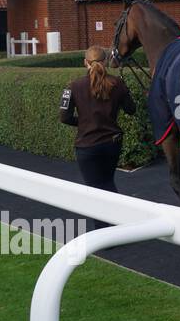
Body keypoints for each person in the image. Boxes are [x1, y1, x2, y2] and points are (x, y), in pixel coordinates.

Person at [58, 46, 136, 204]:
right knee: (107, 183)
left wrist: (85, 122)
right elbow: (131, 109)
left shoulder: (73, 86)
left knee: (94, 191)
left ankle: (105, 226)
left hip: (87, 146)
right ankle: (117, 222)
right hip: (112, 144)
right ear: (106, 61)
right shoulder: (117, 83)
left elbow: (64, 117)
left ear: (85, 62)